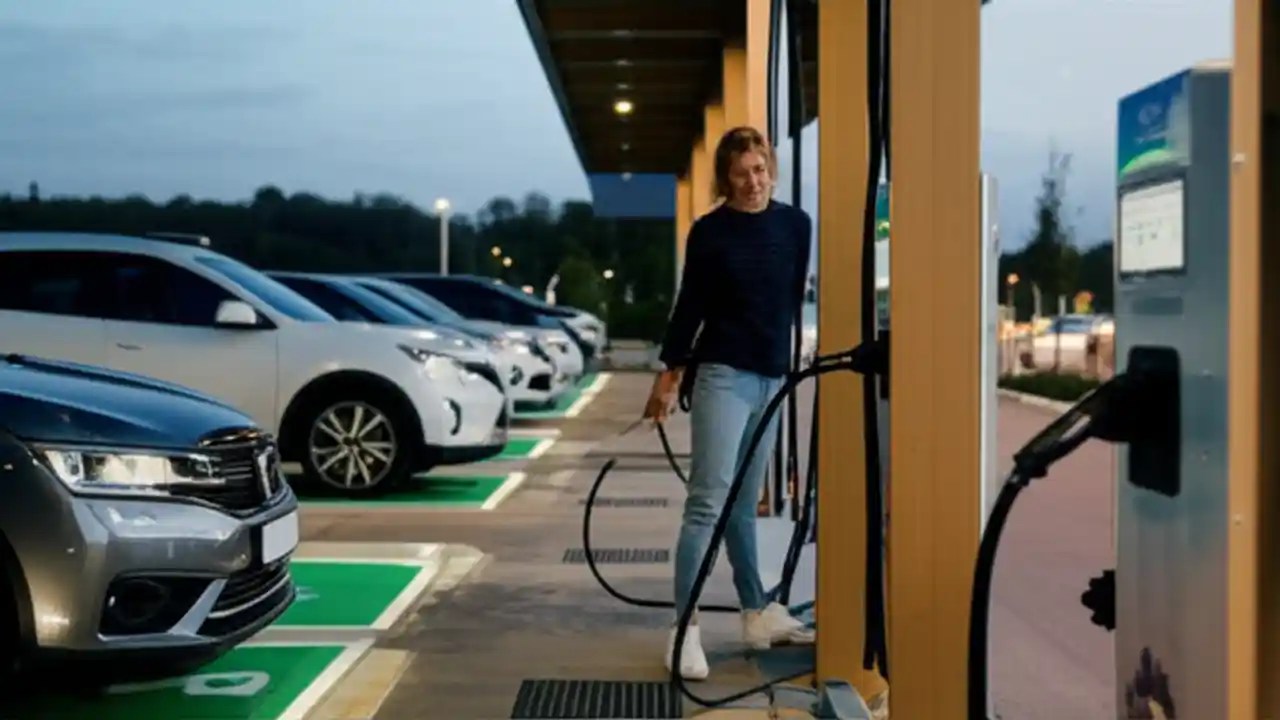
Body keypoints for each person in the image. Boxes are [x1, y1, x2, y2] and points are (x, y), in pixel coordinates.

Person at [644, 126, 815, 681]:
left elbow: (788, 302)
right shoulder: (711, 233)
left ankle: (755, 613)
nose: (753, 182)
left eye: (760, 169)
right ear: (726, 178)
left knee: (745, 504)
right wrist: (667, 380)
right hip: (722, 375)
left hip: (770, 378)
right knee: (707, 503)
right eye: (741, 173)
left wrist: (791, 363)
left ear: (772, 168)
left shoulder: (795, 226)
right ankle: (683, 630)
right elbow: (689, 305)